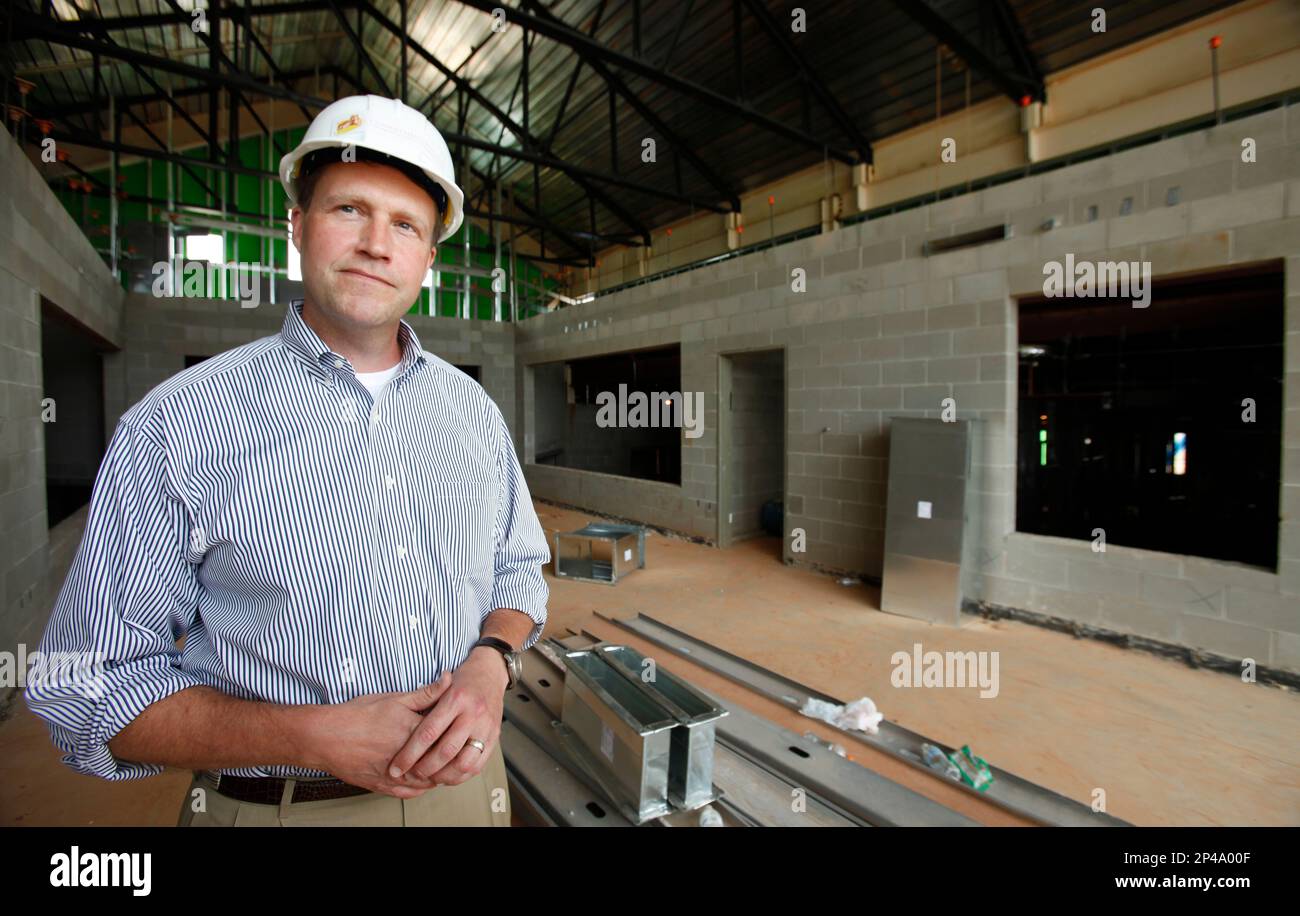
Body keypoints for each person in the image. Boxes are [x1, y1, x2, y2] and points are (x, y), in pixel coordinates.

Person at [24, 94, 551, 827]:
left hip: (466, 795)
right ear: (297, 226)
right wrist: (308, 736)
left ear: (429, 257)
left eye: (405, 225)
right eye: (348, 211)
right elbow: (86, 688)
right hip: (280, 807)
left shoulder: (472, 415)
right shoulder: (179, 425)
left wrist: (491, 662)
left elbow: (519, 567)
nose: (376, 243)